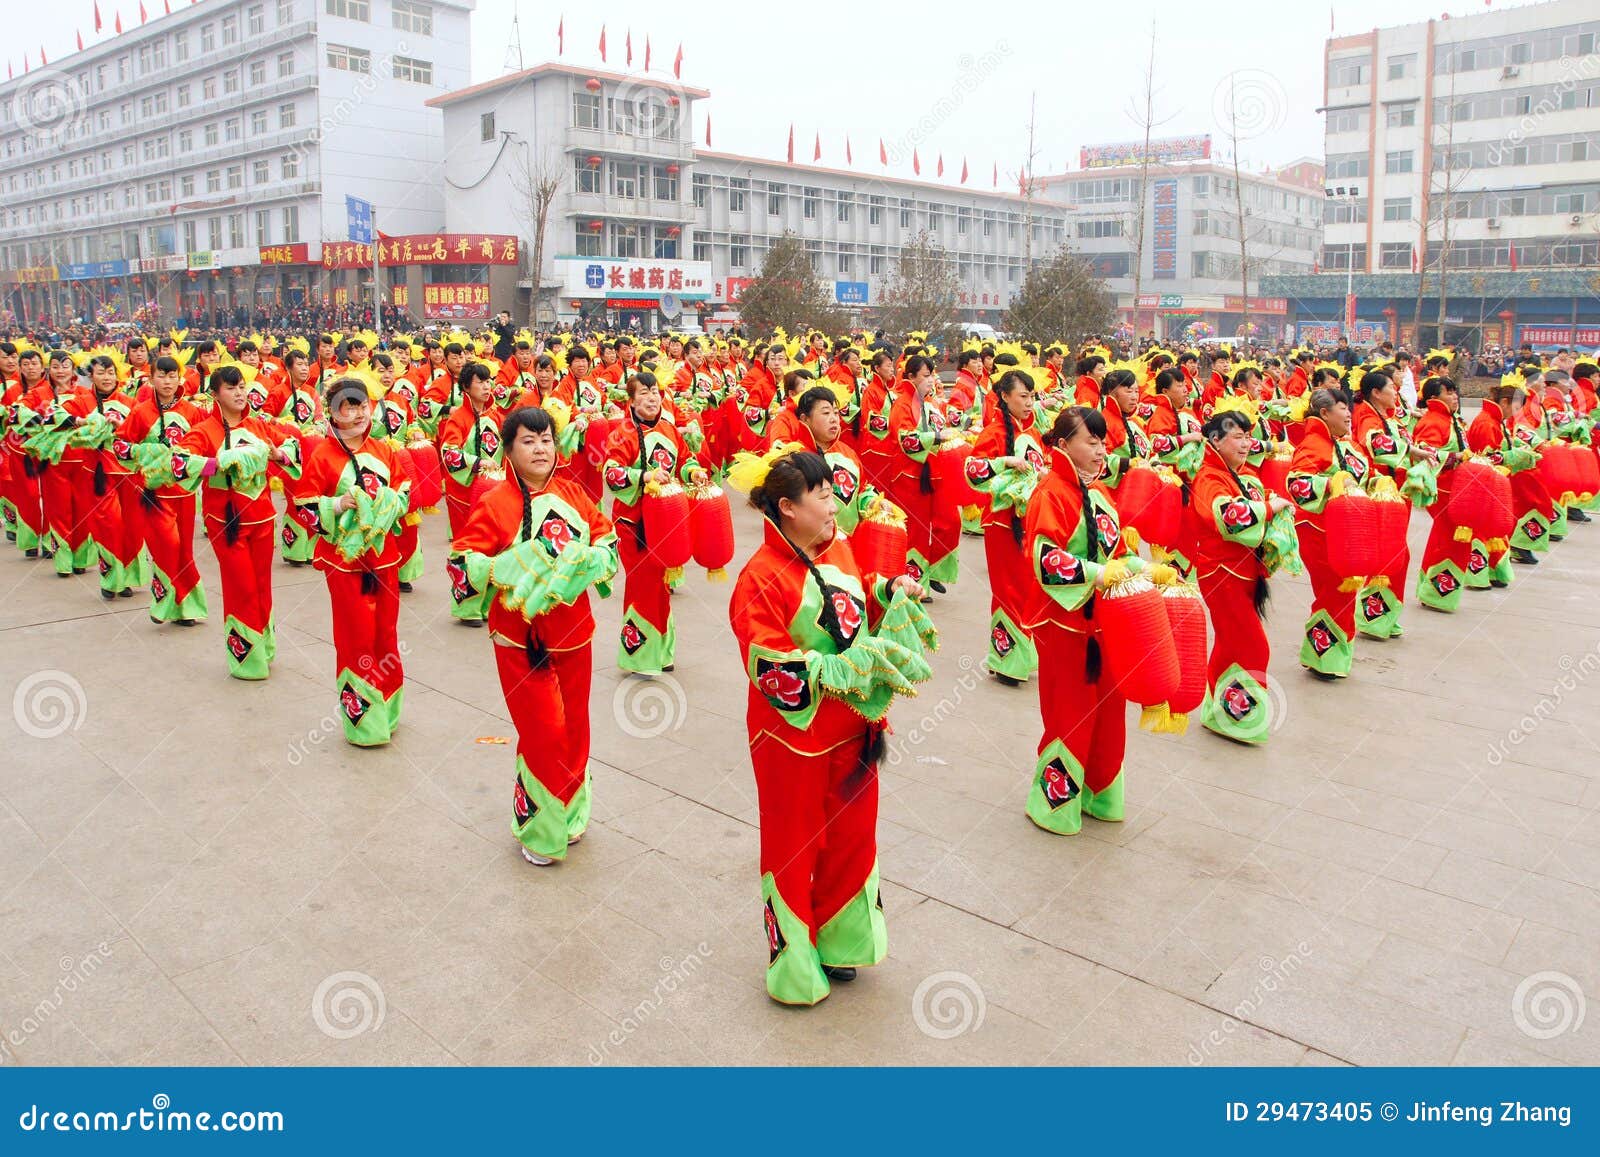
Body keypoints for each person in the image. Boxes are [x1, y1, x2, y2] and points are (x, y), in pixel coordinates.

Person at [728, 448, 932, 1005]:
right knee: (796, 843)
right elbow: (768, 665)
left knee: (852, 834)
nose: (834, 503)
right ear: (788, 508)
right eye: (822, 495)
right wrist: (831, 668)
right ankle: (793, 962)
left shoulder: (836, 544)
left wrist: (894, 592)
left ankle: (842, 941)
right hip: (793, 735)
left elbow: (859, 592)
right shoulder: (760, 578)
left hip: (855, 724)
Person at [451, 406, 618, 864]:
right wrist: (510, 564)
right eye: (528, 440)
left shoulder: (575, 495)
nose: (541, 447)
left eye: (546, 439)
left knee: (575, 728)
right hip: (520, 642)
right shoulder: (494, 503)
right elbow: (462, 564)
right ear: (509, 451)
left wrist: (589, 559)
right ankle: (540, 829)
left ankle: (569, 812)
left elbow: (606, 540)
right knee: (543, 731)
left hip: (575, 633)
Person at [1022, 406, 1137, 834]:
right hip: (1063, 624)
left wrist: (1141, 571)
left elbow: (1116, 551)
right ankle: (1053, 803)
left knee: (1109, 710)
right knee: (1072, 713)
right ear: (1063, 444)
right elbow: (1044, 559)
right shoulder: (1050, 493)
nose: (1100, 450)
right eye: (1090, 441)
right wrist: (1096, 573)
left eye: (1103, 442)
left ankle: (1100, 791)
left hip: (1106, 622)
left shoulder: (1099, 493)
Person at [293, 378, 410, 746]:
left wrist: (392, 503)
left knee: (386, 635)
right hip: (344, 563)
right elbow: (303, 507)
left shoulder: (385, 451)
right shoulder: (322, 456)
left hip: (385, 559)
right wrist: (336, 505)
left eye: (363, 406)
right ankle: (363, 721)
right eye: (349, 406)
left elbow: (405, 491)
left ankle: (388, 709)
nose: (359, 413)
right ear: (332, 412)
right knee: (356, 638)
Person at [174, 365, 302, 679]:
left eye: (242, 387)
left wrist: (278, 455)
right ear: (215, 394)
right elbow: (178, 462)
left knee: (262, 586)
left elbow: (292, 445)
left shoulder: (259, 426)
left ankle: (264, 647)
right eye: (231, 388)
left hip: (262, 518)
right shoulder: (203, 430)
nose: (239, 393)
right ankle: (246, 658)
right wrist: (219, 464)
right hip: (225, 522)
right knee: (240, 588)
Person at [1188, 411, 1294, 743]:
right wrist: (1270, 508)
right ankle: (1240, 719)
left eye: (1248, 437)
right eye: (1237, 437)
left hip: (1242, 572)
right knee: (1253, 646)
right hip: (1221, 573)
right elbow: (1229, 517)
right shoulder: (1208, 478)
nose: (1246, 444)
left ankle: (1218, 712)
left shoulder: (1242, 475)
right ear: (1215, 441)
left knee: (1229, 642)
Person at [602, 372, 708, 676]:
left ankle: (661, 651)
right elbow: (612, 474)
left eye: (655, 392)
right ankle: (640, 657)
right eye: (644, 392)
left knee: (660, 584)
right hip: (633, 523)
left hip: (665, 520)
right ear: (632, 400)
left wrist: (694, 472)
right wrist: (643, 476)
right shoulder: (622, 433)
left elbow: (685, 460)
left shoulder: (669, 429)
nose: (651, 397)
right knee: (642, 585)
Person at [965, 369, 1047, 686]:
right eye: (1023, 396)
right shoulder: (993, 433)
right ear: (1005, 396)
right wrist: (1004, 463)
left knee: (1027, 588)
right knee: (1007, 590)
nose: (1029, 403)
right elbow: (972, 470)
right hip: (1002, 523)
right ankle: (1005, 660)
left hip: (1030, 522)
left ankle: (1019, 656)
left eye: (1032, 396)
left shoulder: (1034, 433)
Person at [1287, 388, 1372, 680]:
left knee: (1342, 591)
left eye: (1349, 407)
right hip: (1317, 530)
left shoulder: (1339, 443)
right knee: (1335, 591)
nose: (1349, 413)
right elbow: (1297, 483)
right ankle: (1325, 657)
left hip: (1343, 530)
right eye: (1342, 407)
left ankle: (1325, 655)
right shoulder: (1313, 443)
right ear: (1324, 413)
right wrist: (1333, 483)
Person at [116, 356, 208, 625]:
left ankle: (186, 607)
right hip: (154, 494)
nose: (167, 382)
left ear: (179, 378)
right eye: (161, 376)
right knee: (167, 546)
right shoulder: (140, 412)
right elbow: (120, 446)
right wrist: (143, 451)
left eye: (172, 376)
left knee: (184, 550)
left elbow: (207, 442)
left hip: (185, 493)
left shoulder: (193, 412)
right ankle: (166, 601)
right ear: (151, 378)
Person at [1350, 369, 1436, 639]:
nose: (1396, 391)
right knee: (1388, 553)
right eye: (1391, 387)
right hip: (1379, 493)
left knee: (1397, 552)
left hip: (1395, 491)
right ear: (1376, 392)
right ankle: (1374, 617)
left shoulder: (1386, 417)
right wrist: (1412, 451)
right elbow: (1377, 445)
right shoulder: (1365, 415)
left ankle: (1386, 614)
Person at [1410, 375, 1482, 606]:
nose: (1454, 397)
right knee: (1448, 539)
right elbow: (1424, 454)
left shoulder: (1452, 419)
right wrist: (1456, 457)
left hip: (1459, 489)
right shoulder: (1434, 421)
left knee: (1450, 539)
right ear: (1433, 397)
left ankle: (1436, 592)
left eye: (1454, 392)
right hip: (1444, 490)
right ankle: (1436, 593)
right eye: (1448, 393)